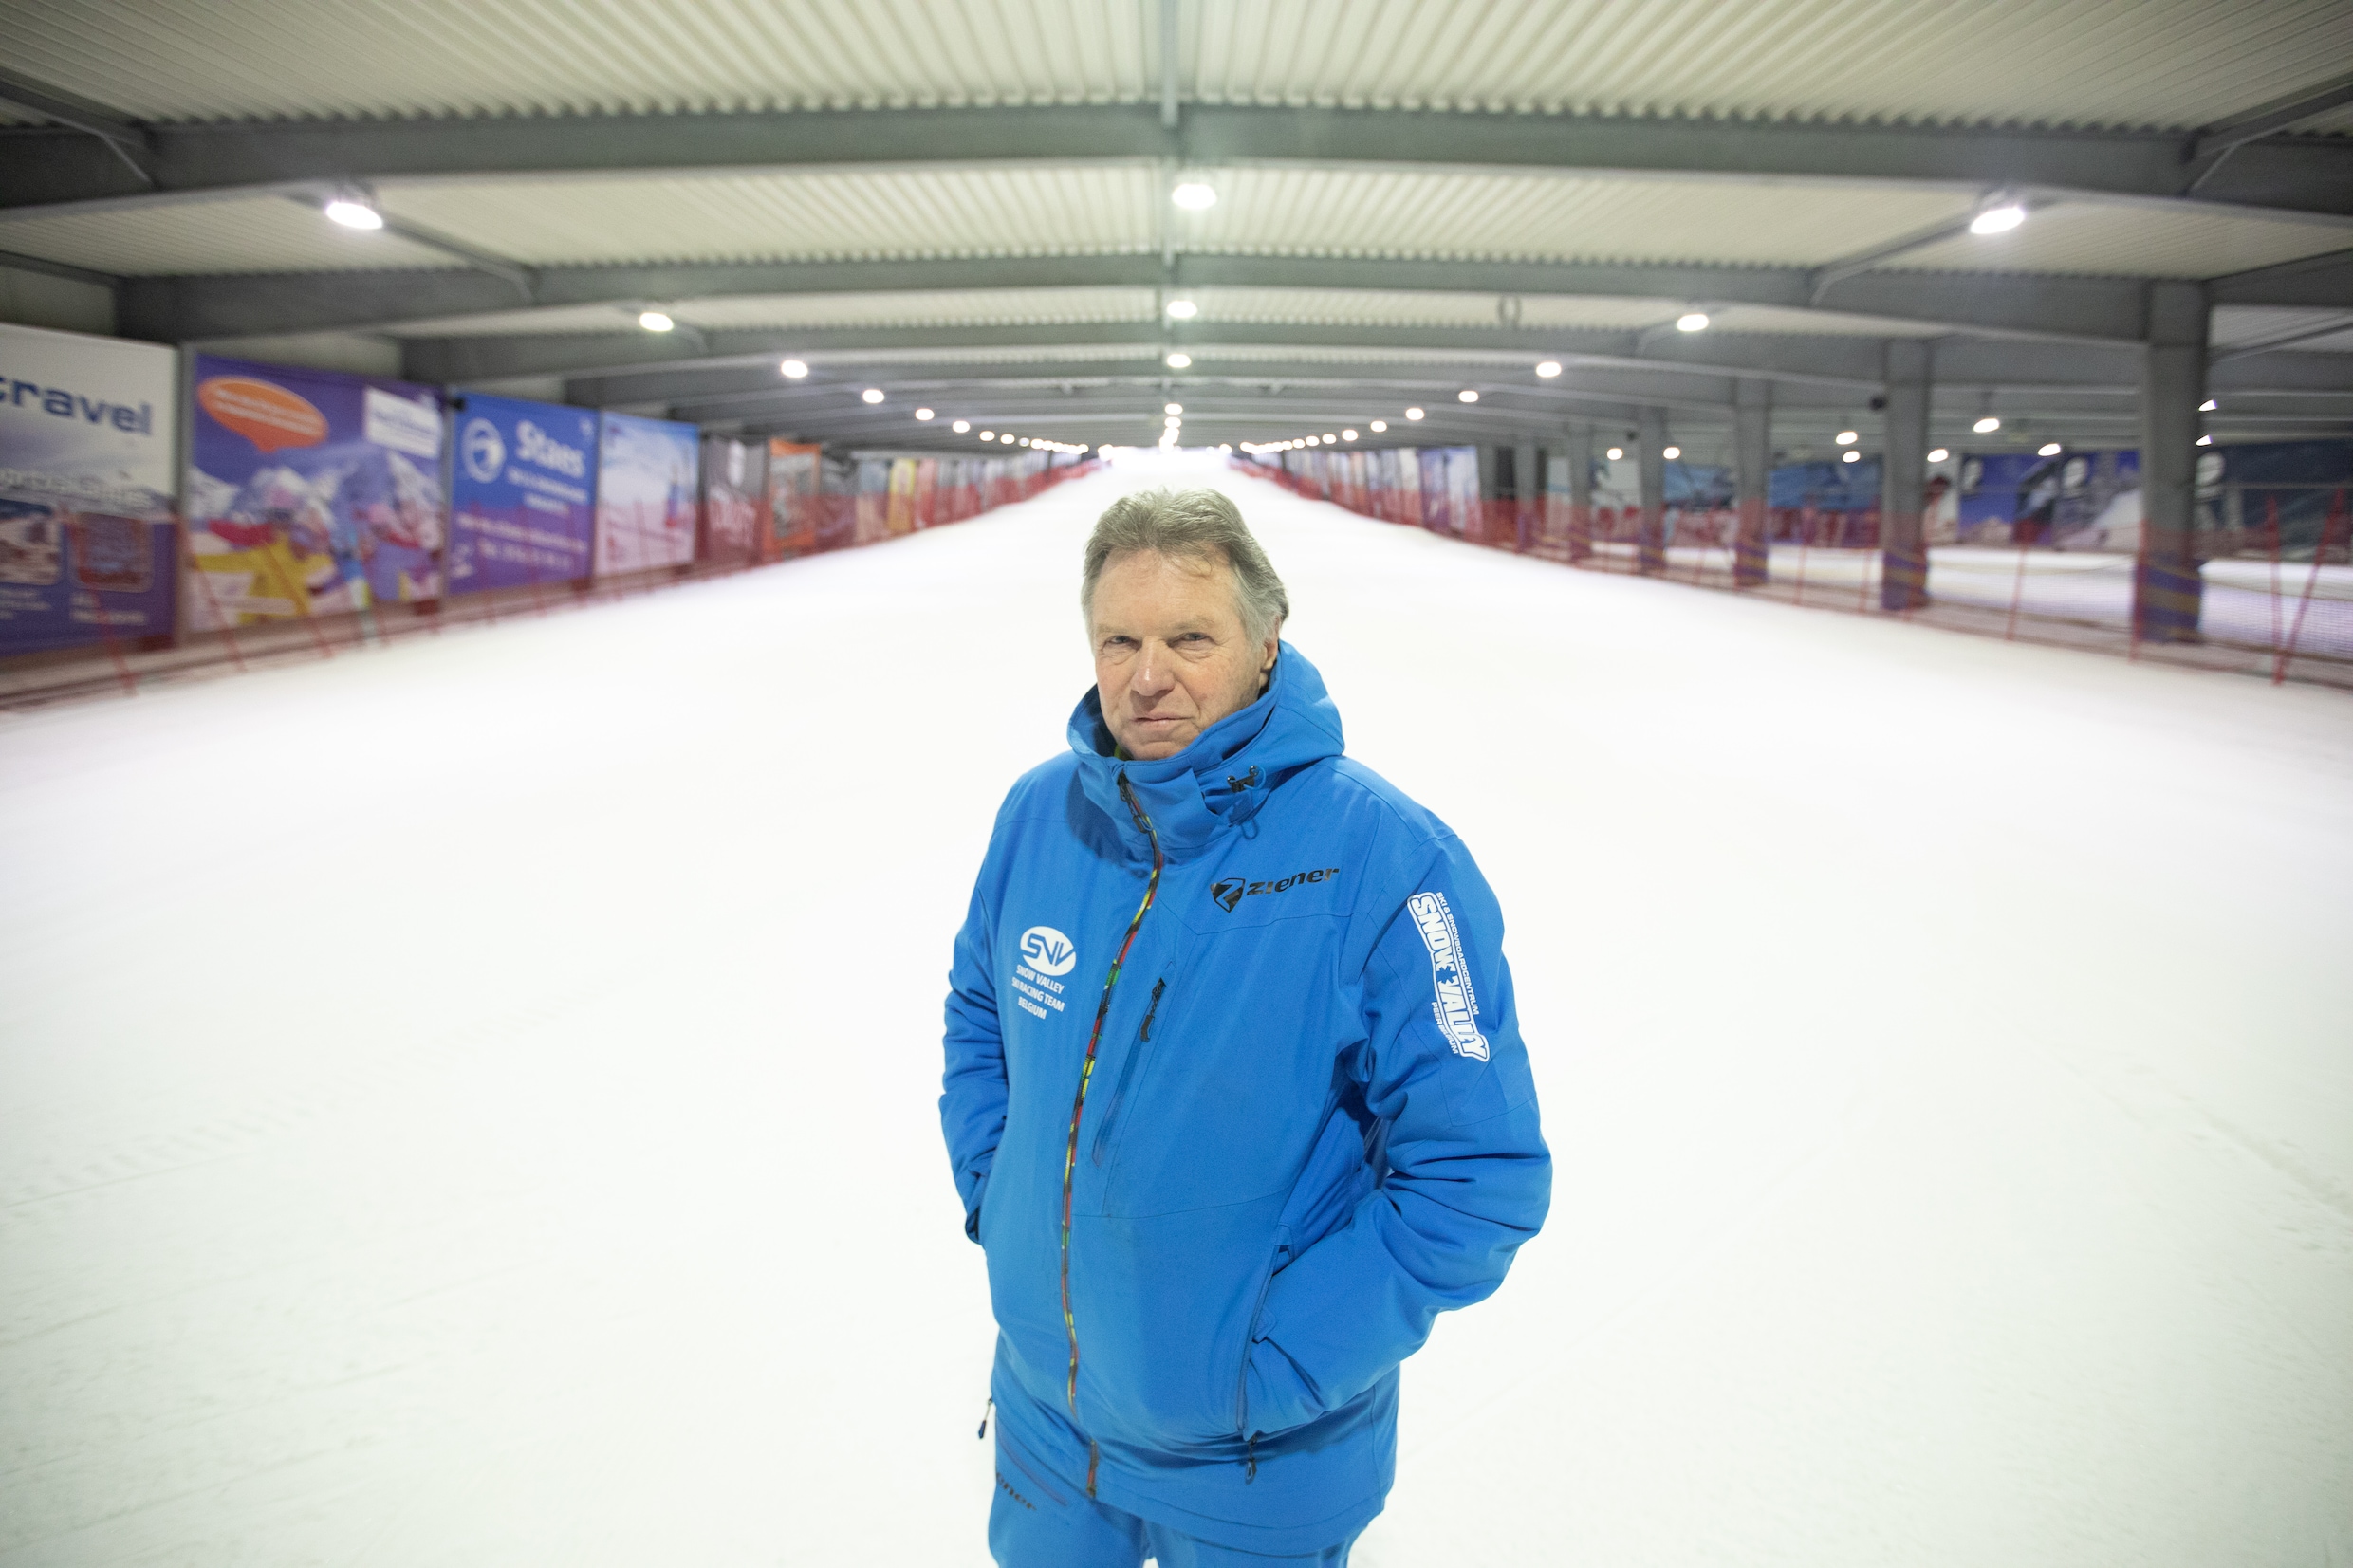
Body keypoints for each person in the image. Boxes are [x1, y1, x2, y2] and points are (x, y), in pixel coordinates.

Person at [940, 486, 1550, 1567]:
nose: (1145, 674)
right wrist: (1002, 1197)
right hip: (1048, 1417)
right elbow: (982, 1012)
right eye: (1117, 638)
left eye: (1189, 637)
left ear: (1266, 646)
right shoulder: (1042, 815)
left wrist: (1266, 1364)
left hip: (1253, 1468)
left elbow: (1477, 1176)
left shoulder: (1380, 857)